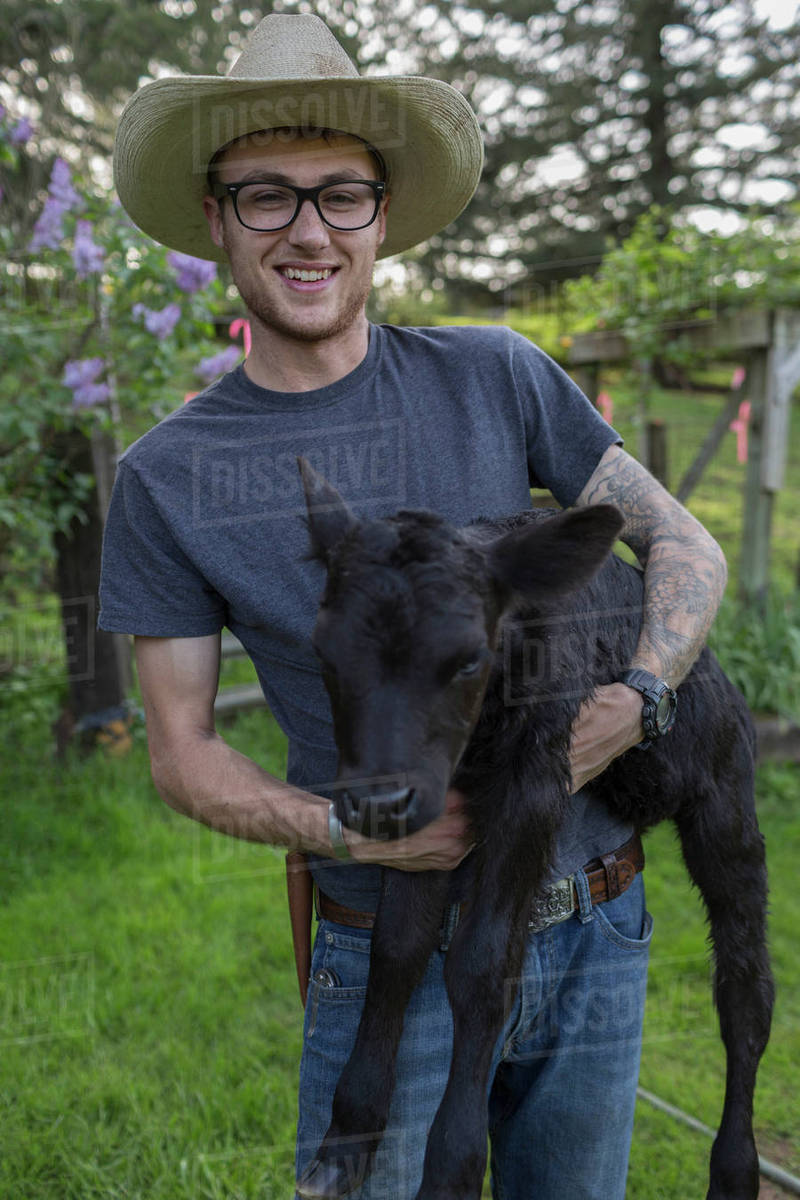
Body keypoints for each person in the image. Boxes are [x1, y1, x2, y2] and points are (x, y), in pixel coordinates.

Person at [101, 13, 727, 1199]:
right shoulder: (167, 479)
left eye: (339, 194)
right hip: (383, 943)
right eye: (264, 196)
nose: (306, 230)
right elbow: (180, 750)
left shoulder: (496, 373)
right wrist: (344, 831)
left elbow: (681, 545)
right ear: (216, 219)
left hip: (595, 926)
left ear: (380, 216)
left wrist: (635, 702)